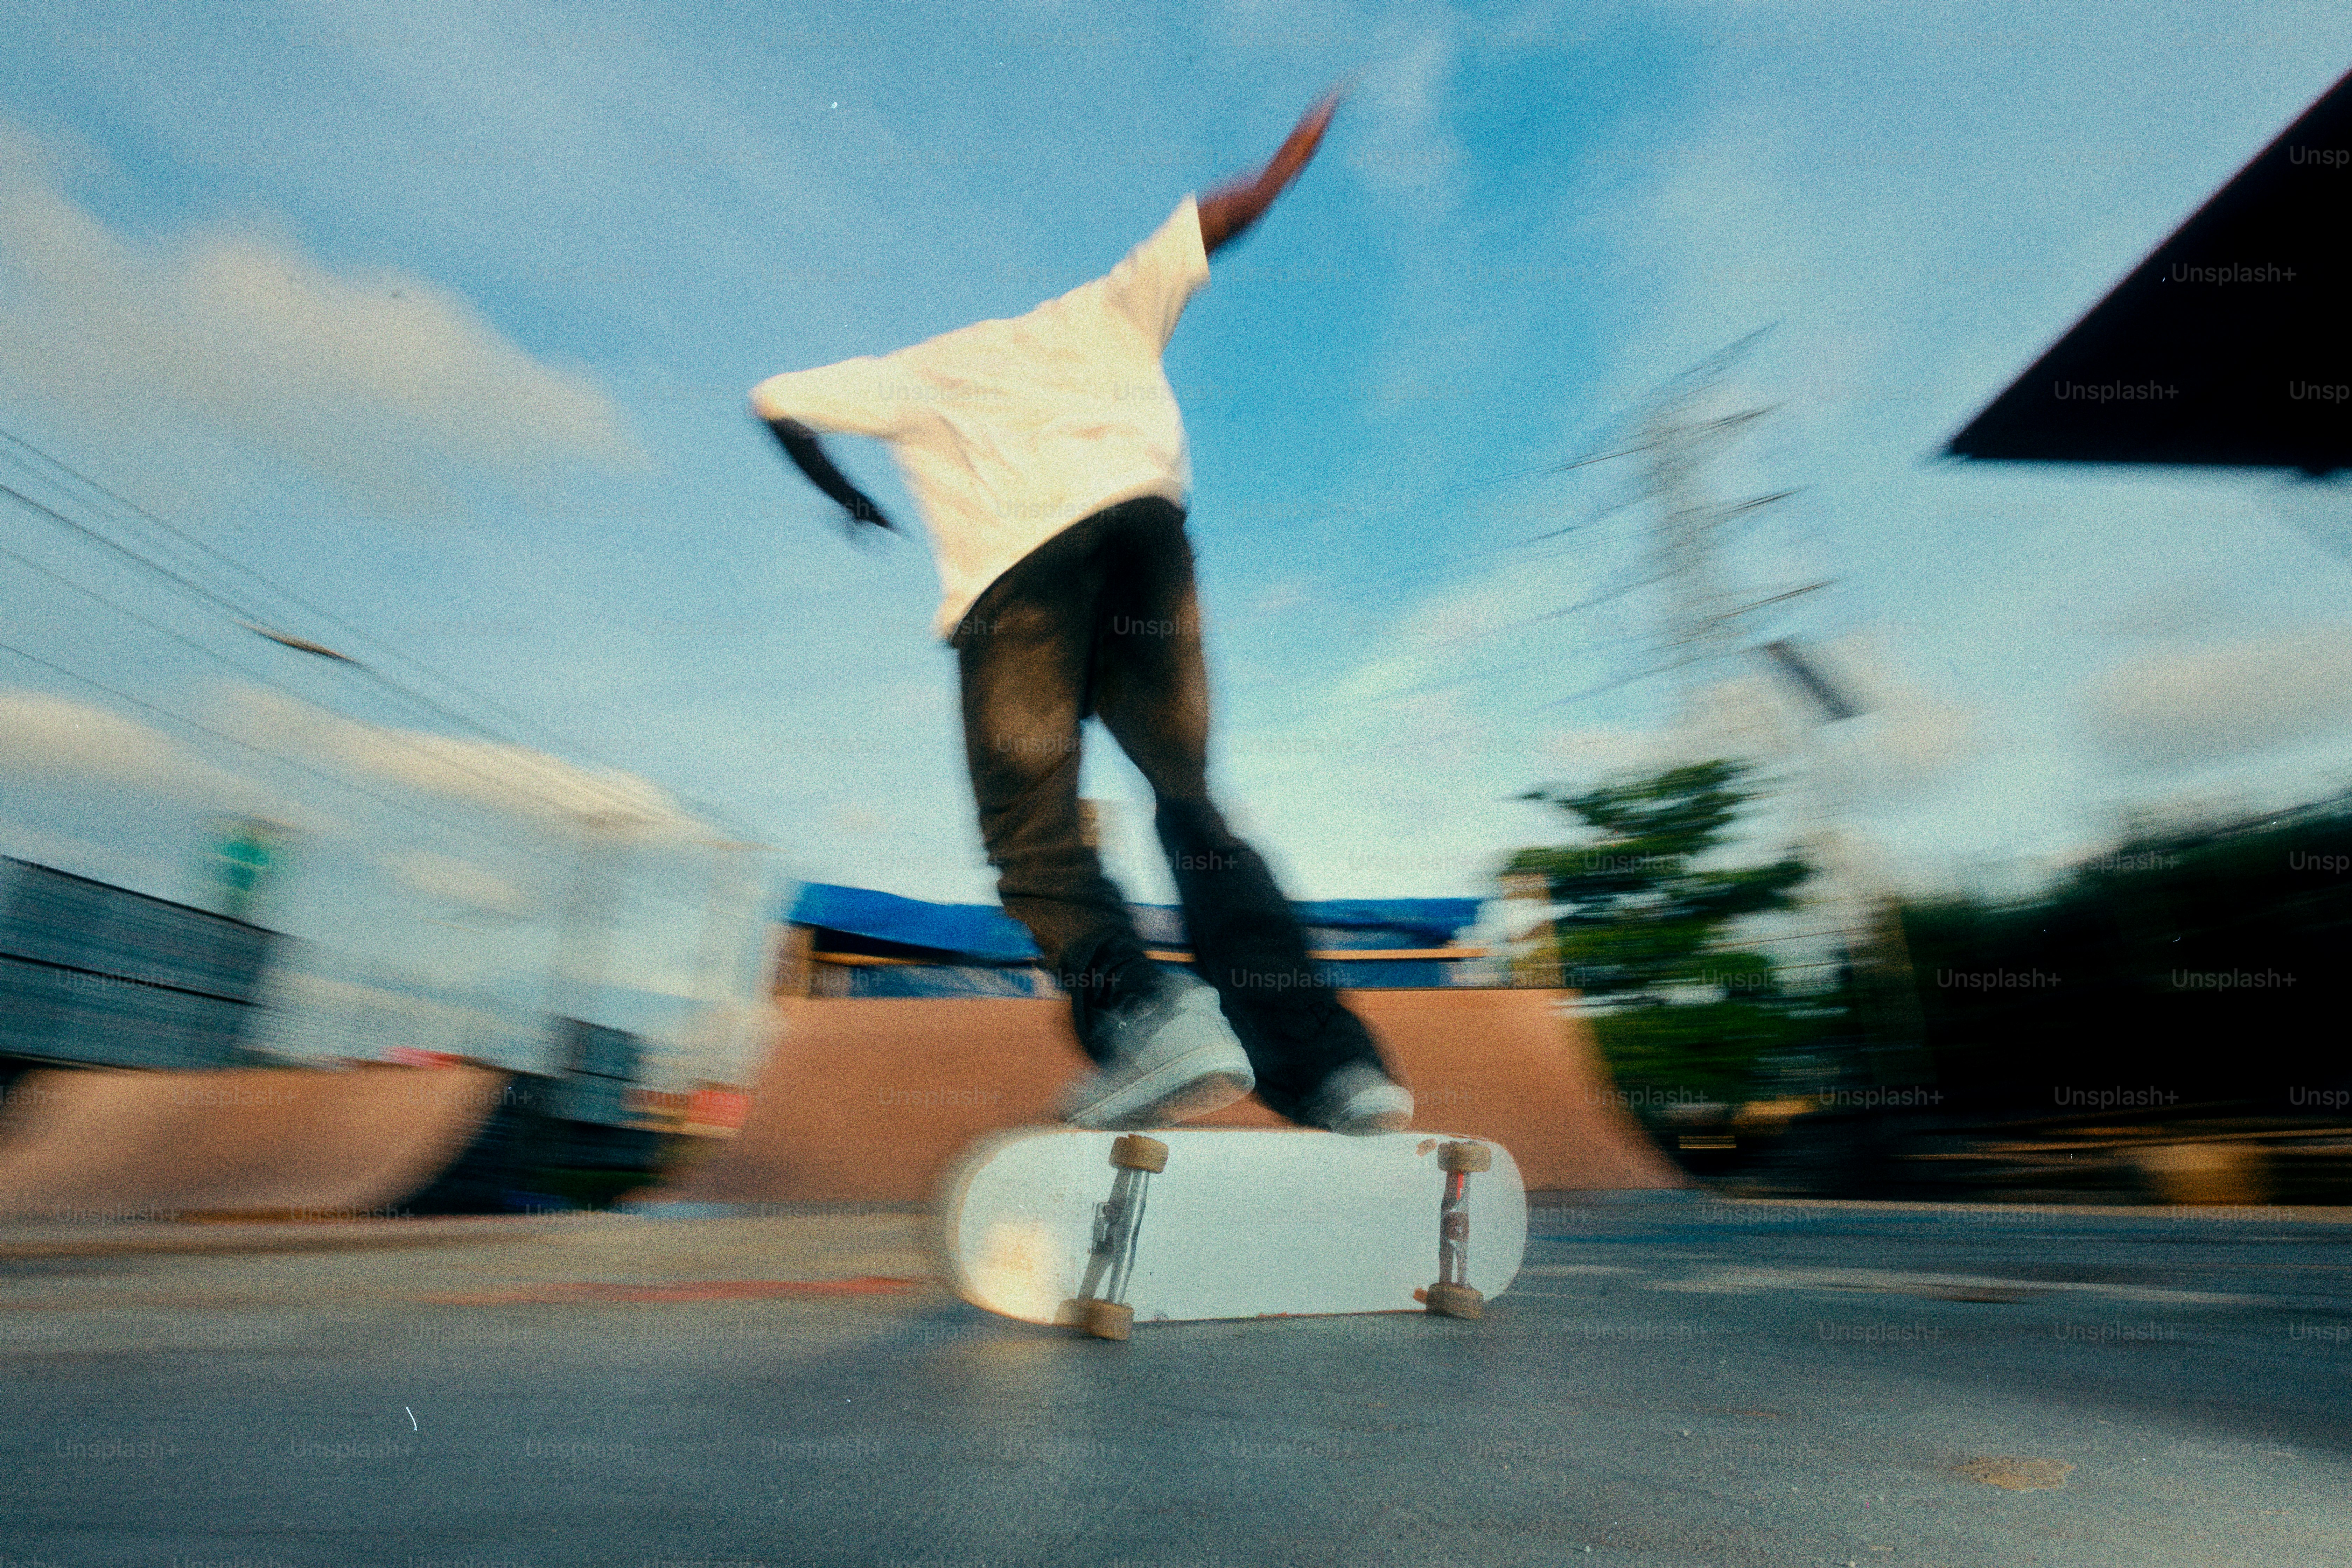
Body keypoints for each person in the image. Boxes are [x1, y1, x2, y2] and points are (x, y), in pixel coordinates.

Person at [750, 89, 1411, 1135]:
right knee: (1192, 805)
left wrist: (847, 496)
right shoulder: (1108, 307)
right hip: (1149, 547)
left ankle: (1149, 1015)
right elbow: (1217, 217)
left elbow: (775, 401)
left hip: (1021, 579)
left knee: (1034, 831)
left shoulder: (918, 374)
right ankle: (1336, 1070)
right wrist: (1286, 164)